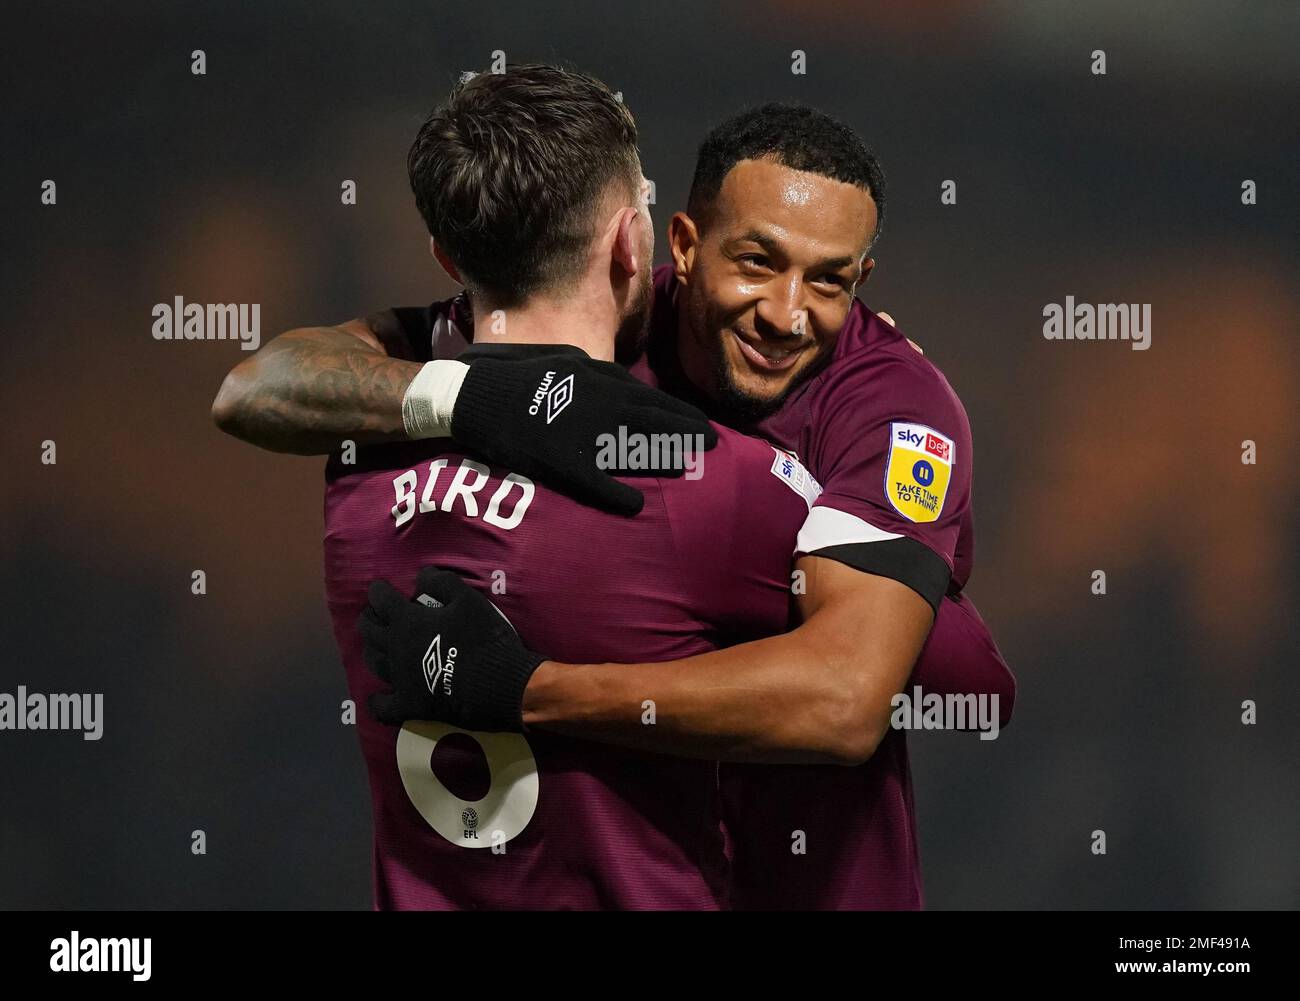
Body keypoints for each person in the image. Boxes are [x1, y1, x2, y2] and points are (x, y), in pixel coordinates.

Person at [213, 64, 1015, 909]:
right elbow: (256, 386)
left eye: (831, 281)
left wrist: (530, 690)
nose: (787, 313)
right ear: (668, 245)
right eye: (756, 261)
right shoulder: (606, 319)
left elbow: (934, 690)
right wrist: (484, 398)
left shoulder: (891, 407)